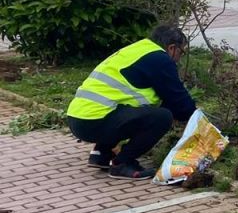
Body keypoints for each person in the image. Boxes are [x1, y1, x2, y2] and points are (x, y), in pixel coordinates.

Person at [66, 25, 197, 180]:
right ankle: (121, 164)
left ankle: (101, 153)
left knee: (128, 110)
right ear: (172, 48)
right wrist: (199, 120)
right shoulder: (160, 59)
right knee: (162, 117)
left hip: (77, 118)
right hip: (95, 122)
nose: (179, 58)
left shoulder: (139, 49)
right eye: (181, 52)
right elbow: (179, 101)